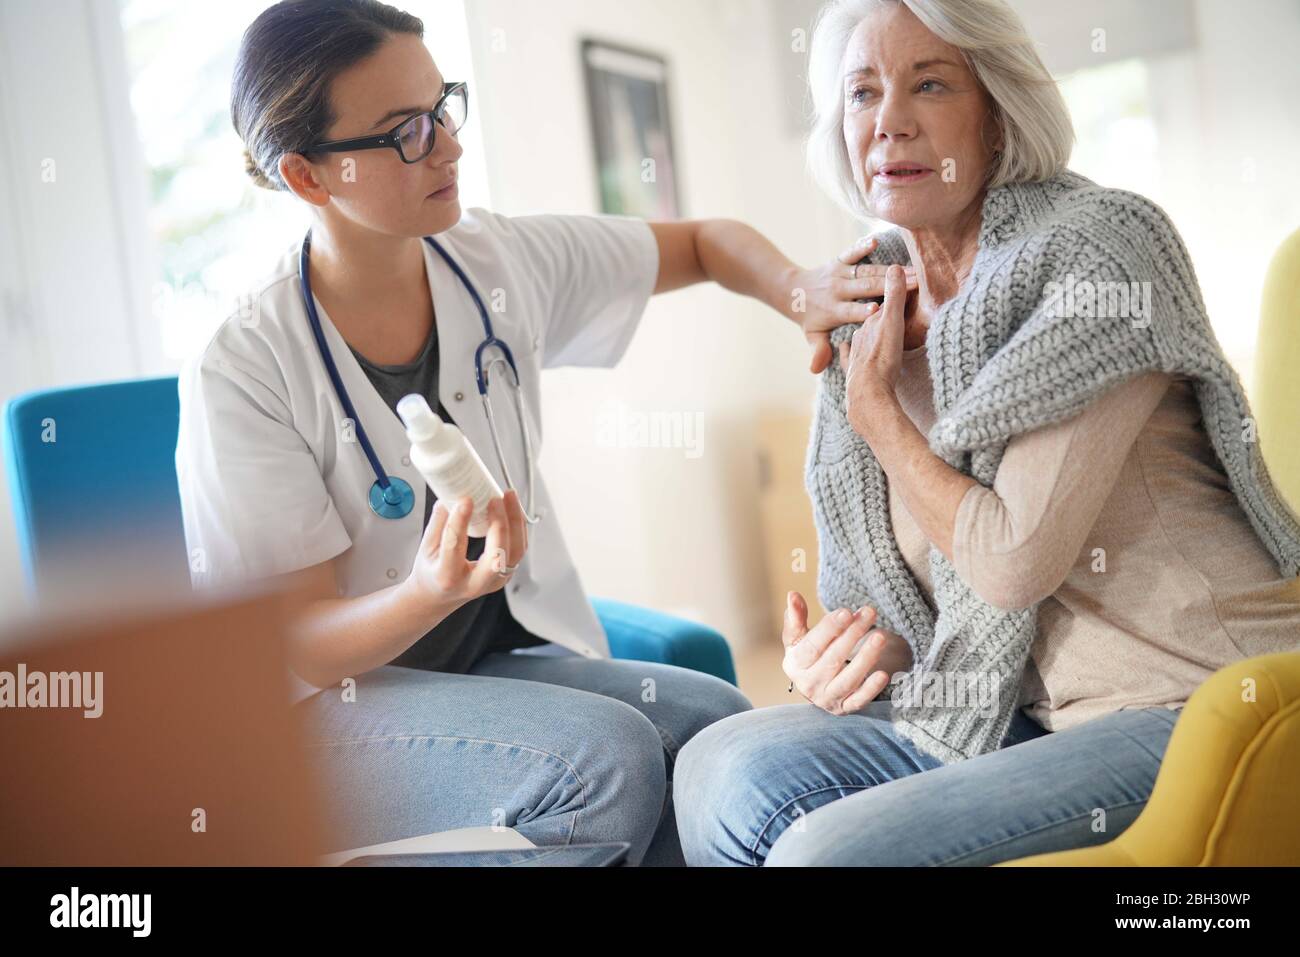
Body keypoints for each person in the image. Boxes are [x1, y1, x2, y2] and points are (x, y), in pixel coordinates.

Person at [174, 0, 880, 866]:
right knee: (606, 762)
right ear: (309, 177)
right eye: (406, 132)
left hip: (488, 668)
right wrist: (424, 594)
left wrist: (797, 289)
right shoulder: (245, 368)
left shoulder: (493, 264)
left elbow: (703, 242)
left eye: (445, 107)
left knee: (722, 736)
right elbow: (297, 643)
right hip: (318, 720)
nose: (448, 145)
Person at [672, 0, 1300, 866]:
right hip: (1018, 709)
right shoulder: (867, 296)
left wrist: (884, 422)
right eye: (862, 93)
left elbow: (1009, 559)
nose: (889, 121)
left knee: (828, 852)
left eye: (929, 84)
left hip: (1199, 700)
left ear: (998, 118)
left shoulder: (1103, 255)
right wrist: (850, 655)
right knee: (717, 764)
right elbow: (903, 611)